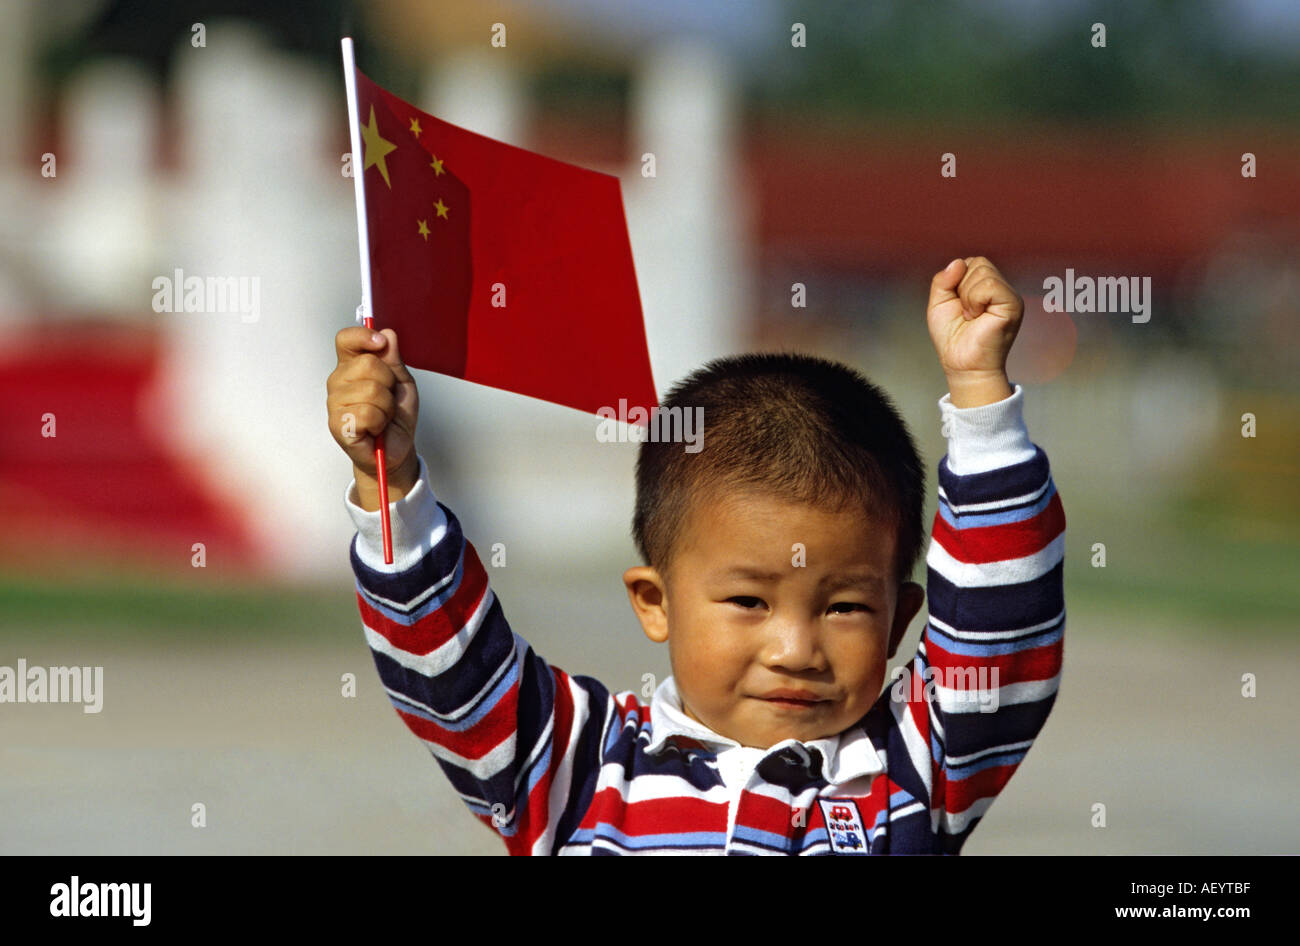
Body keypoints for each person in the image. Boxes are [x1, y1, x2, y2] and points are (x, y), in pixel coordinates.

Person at [325, 256, 1065, 854]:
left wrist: (980, 400)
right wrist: (391, 487)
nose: (797, 650)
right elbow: (455, 677)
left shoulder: (914, 763)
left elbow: (1003, 631)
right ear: (656, 601)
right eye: (750, 600)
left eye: (845, 606)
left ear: (901, 618)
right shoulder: (582, 762)